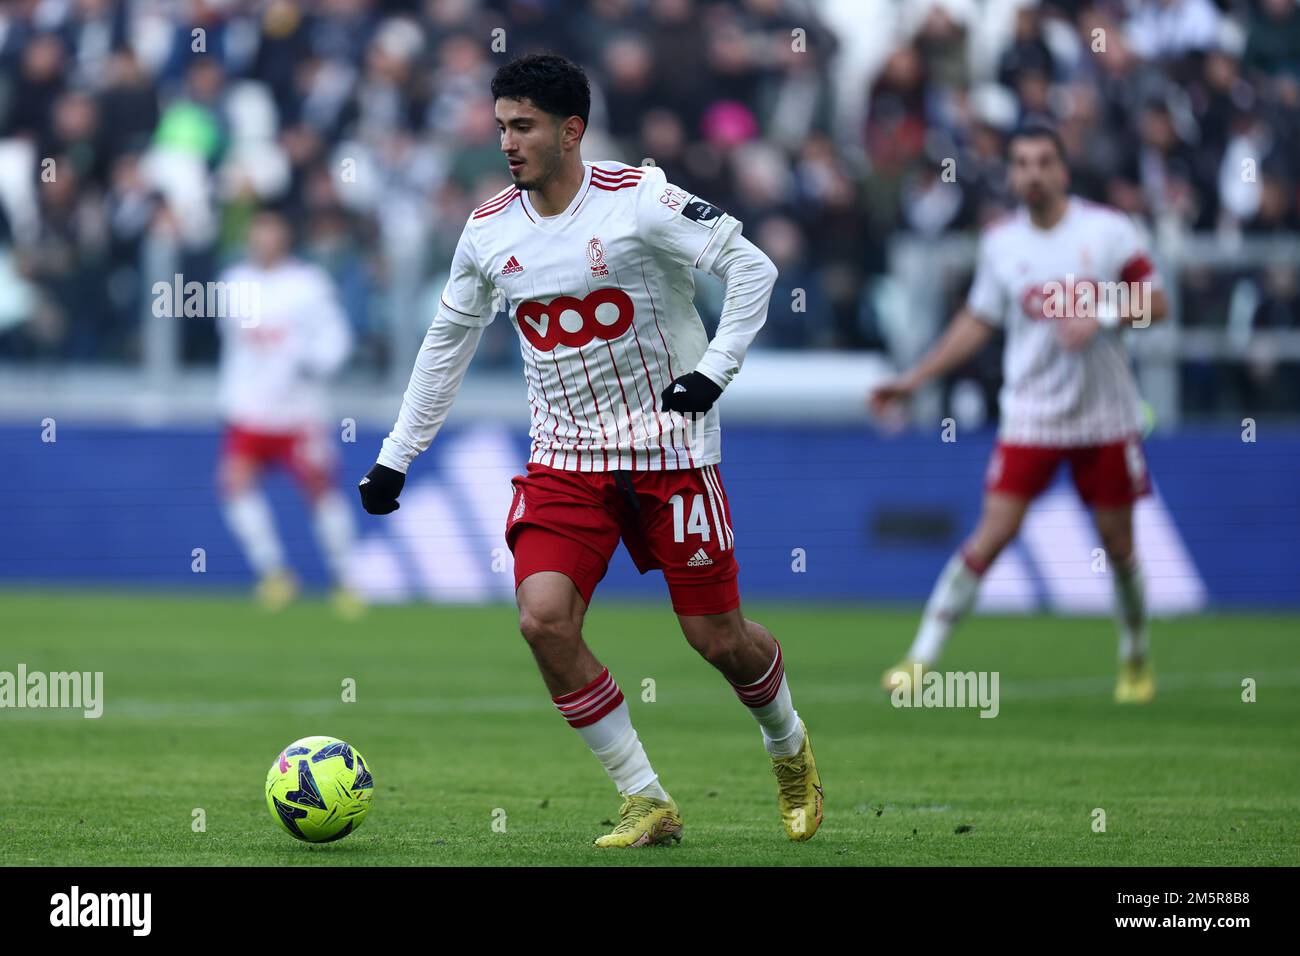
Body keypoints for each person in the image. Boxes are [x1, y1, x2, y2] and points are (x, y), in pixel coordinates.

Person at [358, 54, 822, 847]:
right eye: (501, 125)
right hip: (566, 460)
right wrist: (397, 455)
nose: (507, 142)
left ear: (571, 132)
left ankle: (787, 746)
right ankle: (646, 798)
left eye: (524, 126)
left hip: (670, 451)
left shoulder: (640, 201)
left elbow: (753, 267)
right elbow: (445, 347)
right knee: (543, 621)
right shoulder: (486, 232)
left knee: (718, 640)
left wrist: (712, 374)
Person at [870, 125, 1168, 704]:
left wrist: (1103, 312)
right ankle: (920, 658)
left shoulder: (1108, 231)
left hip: (1105, 416)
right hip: (1030, 414)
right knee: (992, 534)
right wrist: (913, 380)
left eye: (1043, 162)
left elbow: (1156, 302)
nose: (1032, 173)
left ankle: (1135, 656)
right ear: (1011, 173)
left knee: (1120, 545)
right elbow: (977, 322)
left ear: (1063, 170)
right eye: (1021, 163)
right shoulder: (1002, 243)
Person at [217, 209, 361, 617]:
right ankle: (274, 573)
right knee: (235, 484)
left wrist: (313, 363)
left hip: (299, 412)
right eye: (257, 230)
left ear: (285, 236)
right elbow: (234, 350)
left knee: (320, 491)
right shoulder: (233, 284)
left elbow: (337, 339)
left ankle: (346, 579)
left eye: (271, 230)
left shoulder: (308, 284)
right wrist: (230, 399)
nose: (262, 238)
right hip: (251, 410)